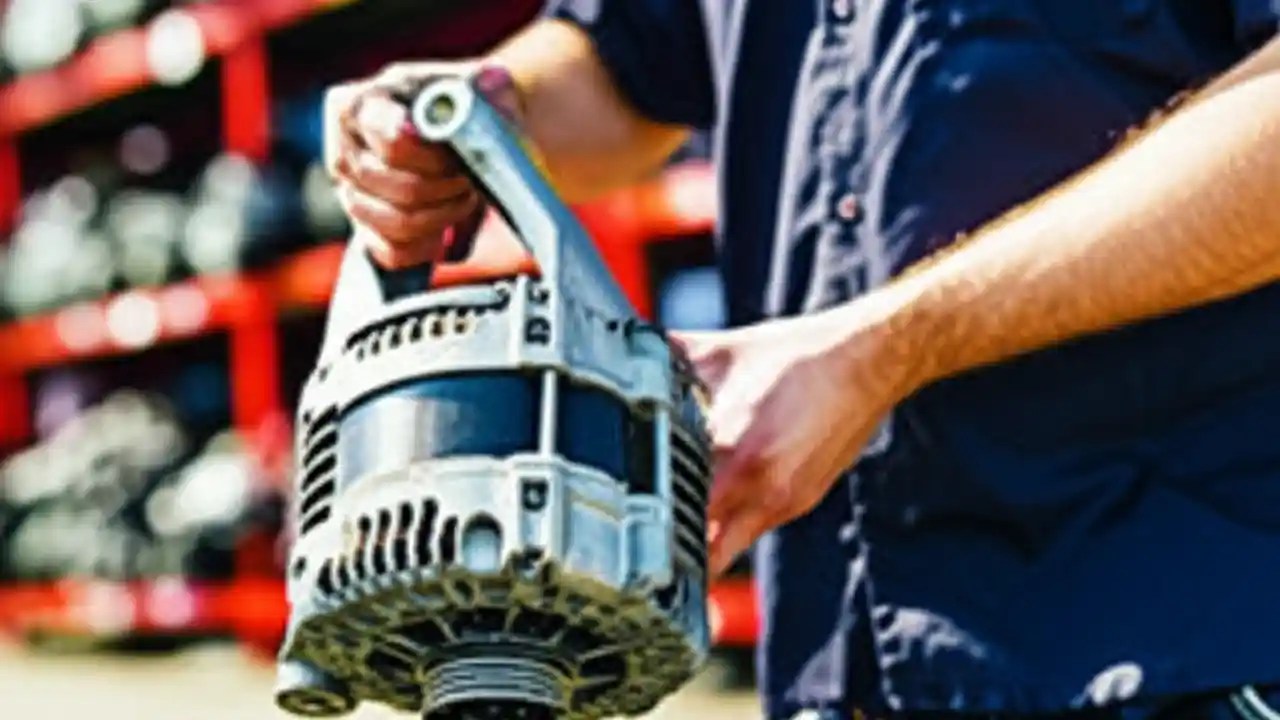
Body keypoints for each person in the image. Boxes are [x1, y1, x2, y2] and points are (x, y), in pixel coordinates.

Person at [323, 2, 1280, 719]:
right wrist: (490, 110)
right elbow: (623, 62)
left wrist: (884, 347)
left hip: (1186, 626)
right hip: (844, 651)